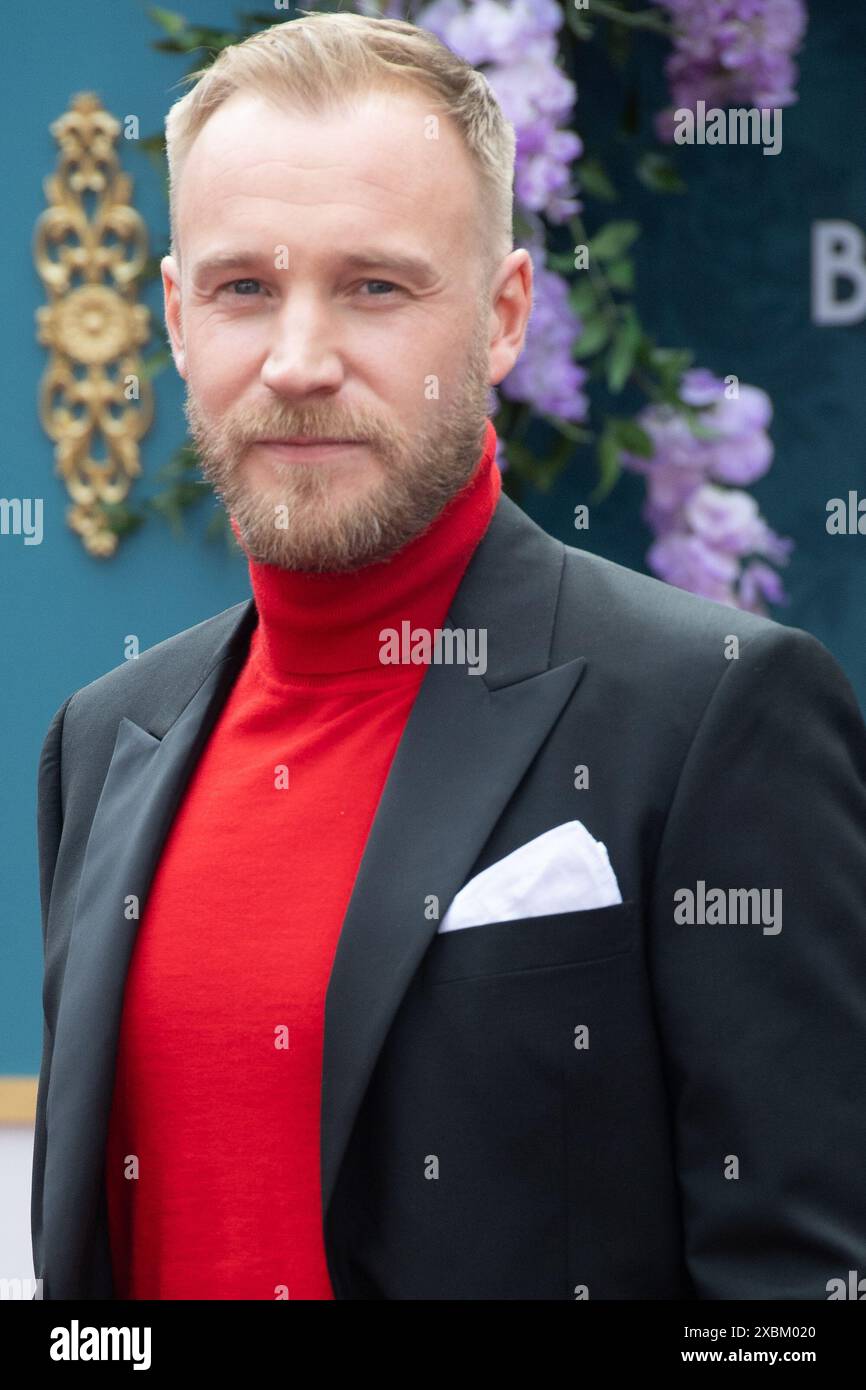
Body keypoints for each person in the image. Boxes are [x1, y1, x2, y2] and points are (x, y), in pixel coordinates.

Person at [32, 11, 866, 1301]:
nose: (300, 362)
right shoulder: (104, 737)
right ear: (177, 319)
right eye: (245, 286)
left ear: (503, 318)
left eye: (375, 285)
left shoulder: (713, 713)